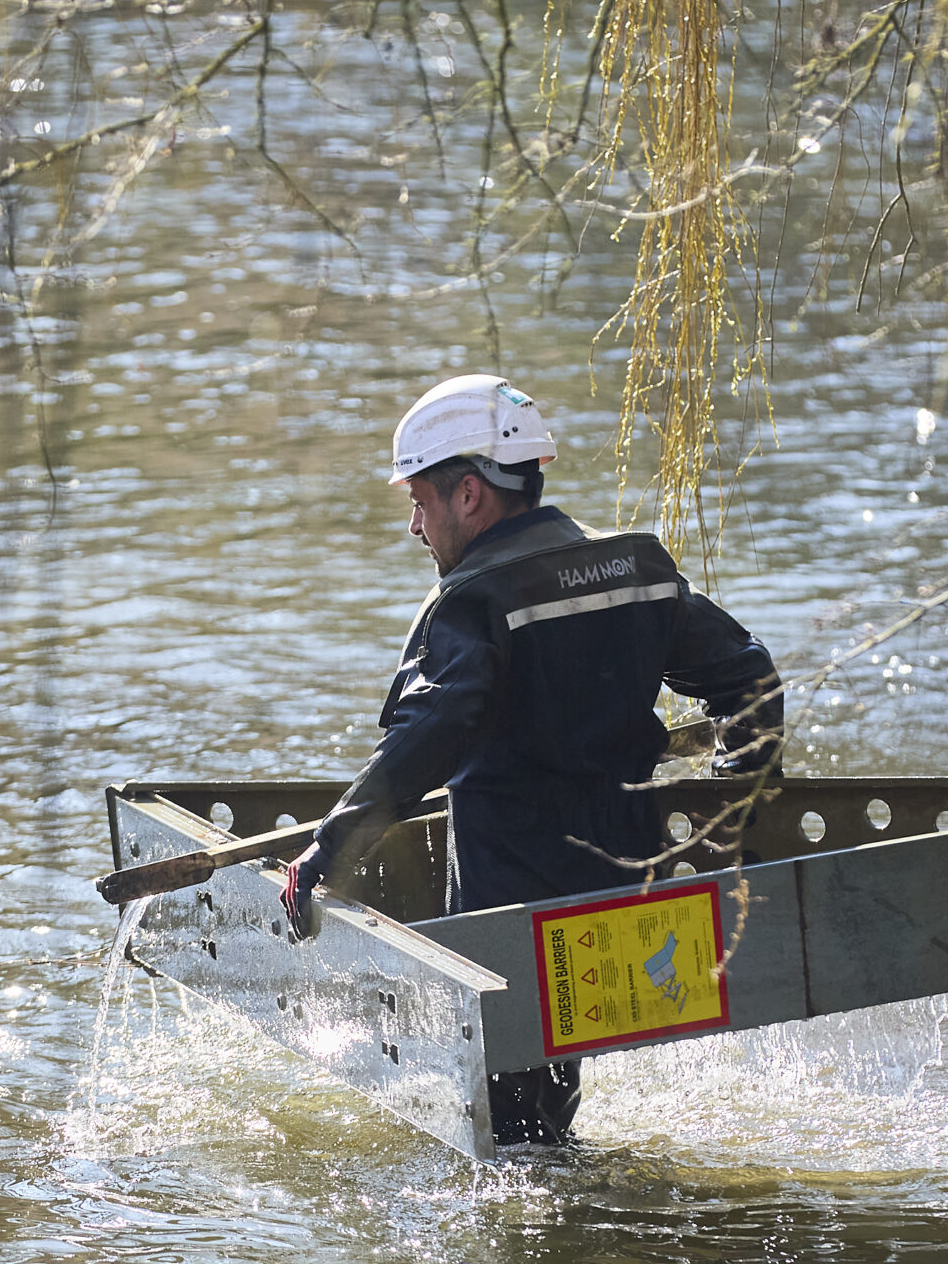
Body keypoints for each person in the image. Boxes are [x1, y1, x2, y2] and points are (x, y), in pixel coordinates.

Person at [282, 373, 782, 1146]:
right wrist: (733, 813)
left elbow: (426, 734)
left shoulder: (471, 602)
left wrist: (329, 846)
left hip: (511, 938)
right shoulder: (637, 570)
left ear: (471, 494)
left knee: (513, 1147)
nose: (416, 524)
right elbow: (748, 678)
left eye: (421, 500)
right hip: (635, 918)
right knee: (551, 1125)